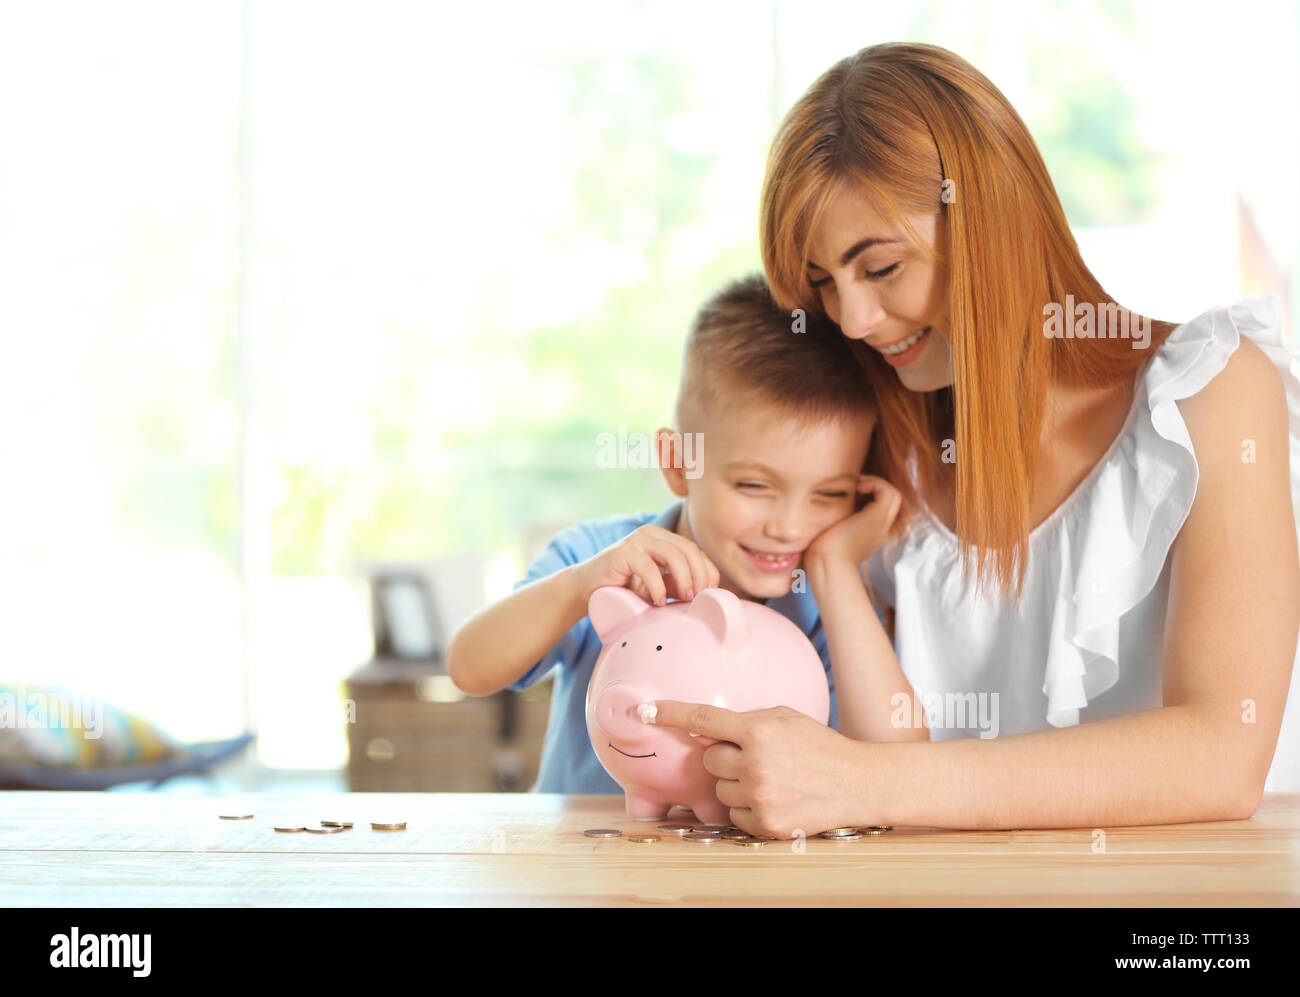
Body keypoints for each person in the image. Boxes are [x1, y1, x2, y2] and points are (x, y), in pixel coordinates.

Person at [643, 42, 1300, 835]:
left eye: (880, 266)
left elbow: (1220, 758)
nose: (851, 320)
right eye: (822, 282)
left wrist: (868, 783)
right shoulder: (874, 451)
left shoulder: (1210, 392)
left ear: (992, 219)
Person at [446, 273, 924, 794]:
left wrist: (833, 568)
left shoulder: (827, 602)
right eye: (754, 485)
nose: (790, 526)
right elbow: (470, 668)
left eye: (830, 494)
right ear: (678, 463)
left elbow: (895, 766)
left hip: (746, 872)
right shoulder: (601, 560)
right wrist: (580, 586)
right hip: (591, 864)